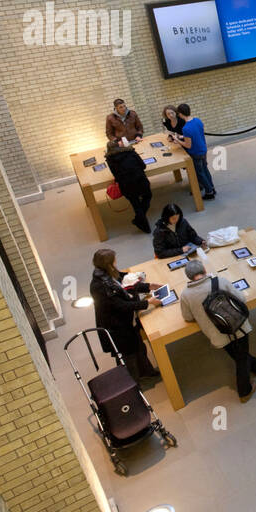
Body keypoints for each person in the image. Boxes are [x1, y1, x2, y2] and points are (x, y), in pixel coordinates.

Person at [179, 259, 256, 402]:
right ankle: (244, 391)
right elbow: (241, 298)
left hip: (217, 334)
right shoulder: (220, 281)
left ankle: (255, 365)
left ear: (188, 277)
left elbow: (188, 317)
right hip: (238, 326)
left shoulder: (185, 295)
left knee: (238, 355)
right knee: (241, 358)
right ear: (204, 270)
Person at [89, 248, 161, 381]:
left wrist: (148, 286)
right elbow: (121, 306)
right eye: (114, 260)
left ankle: (146, 371)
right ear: (109, 264)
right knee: (129, 357)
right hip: (118, 328)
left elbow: (127, 283)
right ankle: (134, 385)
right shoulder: (100, 286)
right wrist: (147, 303)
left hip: (127, 323)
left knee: (139, 347)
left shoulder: (107, 274)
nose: (116, 262)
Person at [104, 138, 152, 233]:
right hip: (141, 181)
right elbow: (143, 166)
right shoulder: (131, 152)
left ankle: (144, 226)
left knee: (136, 204)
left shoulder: (110, 160)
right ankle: (139, 220)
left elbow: (115, 175)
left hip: (126, 186)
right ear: (119, 145)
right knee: (148, 196)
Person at [175, 103, 216, 200]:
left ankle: (209, 192)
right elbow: (197, 134)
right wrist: (182, 137)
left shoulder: (185, 128)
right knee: (205, 170)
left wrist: (177, 140)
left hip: (195, 153)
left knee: (200, 173)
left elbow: (188, 145)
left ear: (180, 114)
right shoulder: (198, 121)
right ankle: (212, 188)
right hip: (203, 149)